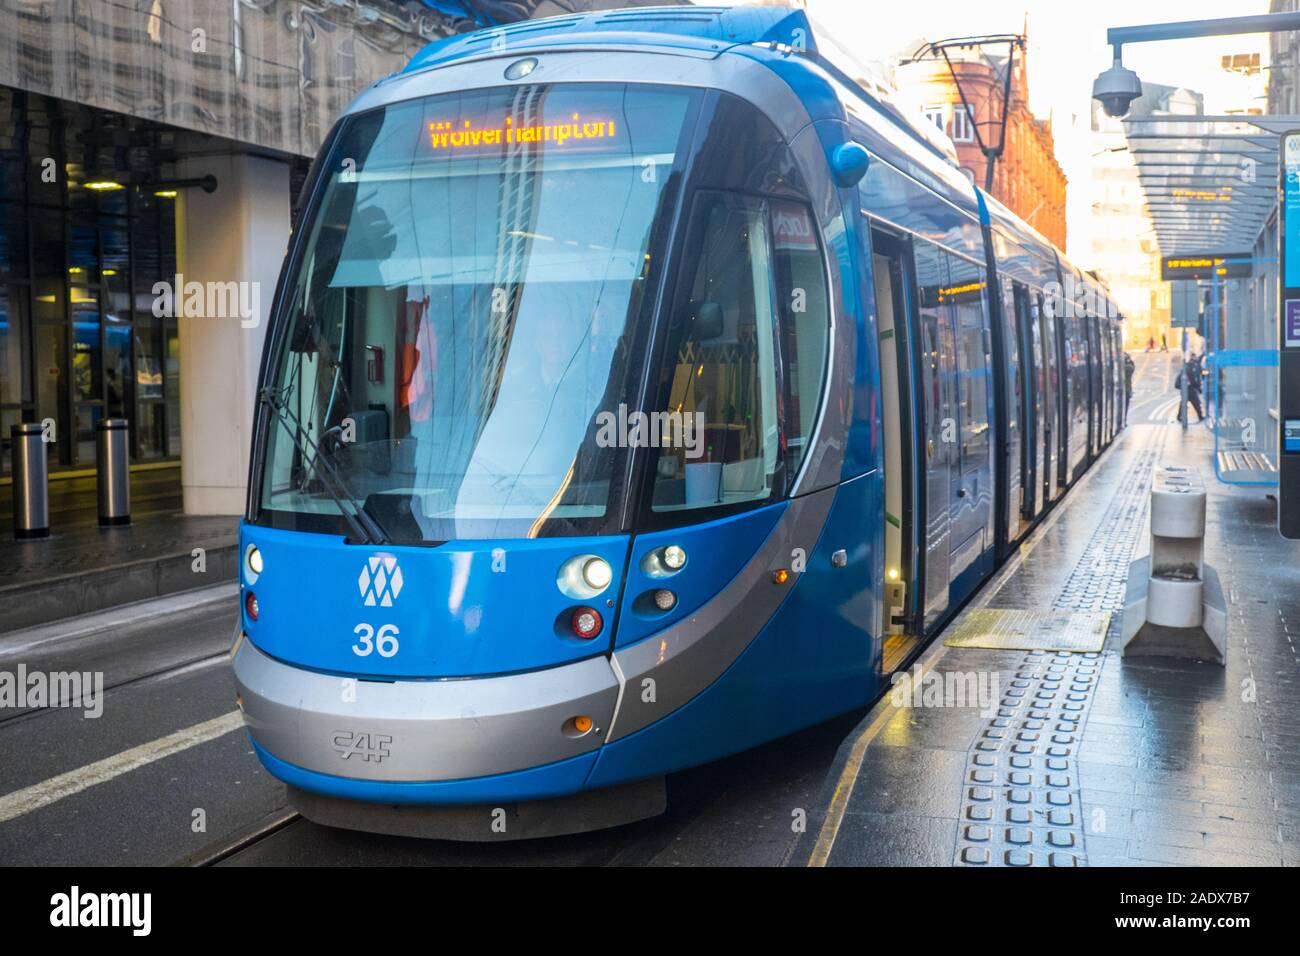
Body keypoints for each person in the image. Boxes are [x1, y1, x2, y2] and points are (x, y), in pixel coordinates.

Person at [1175, 352, 1204, 423]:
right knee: (1196, 403)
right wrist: (1198, 387)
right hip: (1190, 390)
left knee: (1183, 404)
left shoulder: (1186, 367)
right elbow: (1193, 379)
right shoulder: (1191, 368)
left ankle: (1179, 417)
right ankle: (1200, 416)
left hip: (1186, 390)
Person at [1123, 351, 1135, 425]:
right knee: (1125, 406)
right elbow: (1132, 367)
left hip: (1125, 390)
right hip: (1126, 390)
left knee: (1124, 406)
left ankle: (1123, 420)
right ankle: (1124, 420)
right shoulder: (1128, 367)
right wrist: (1129, 360)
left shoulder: (1125, 367)